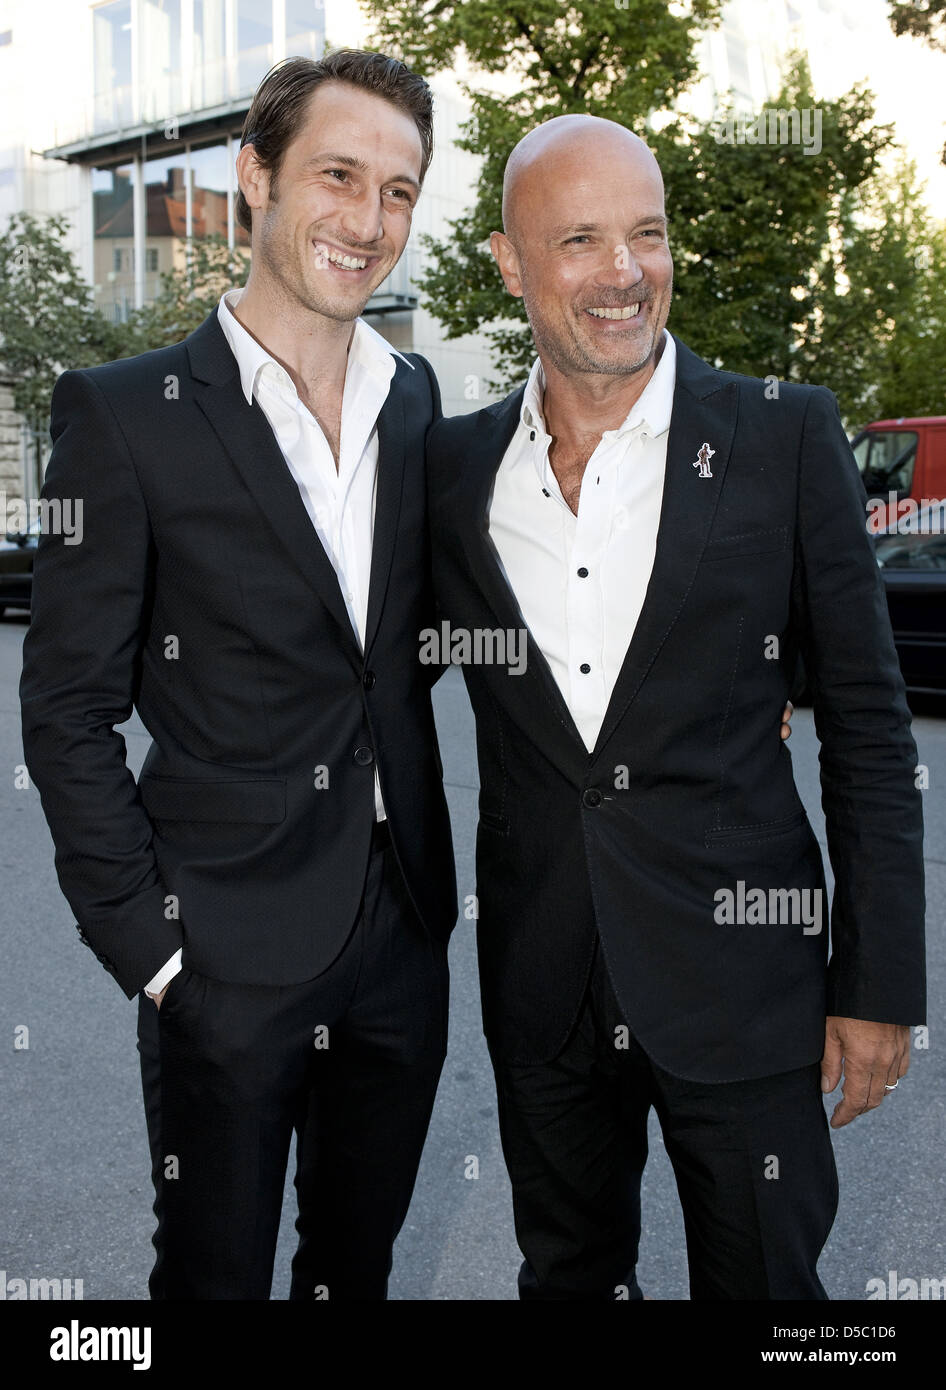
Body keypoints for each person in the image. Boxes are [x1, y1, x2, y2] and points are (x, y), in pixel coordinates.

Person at [426, 114, 926, 1300]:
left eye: (646, 233)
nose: (623, 272)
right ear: (508, 262)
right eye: (581, 239)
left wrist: (875, 987)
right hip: (544, 983)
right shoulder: (450, 469)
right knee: (566, 1276)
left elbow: (865, 727)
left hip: (747, 983)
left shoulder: (782, 432)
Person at [20, 49, 456, 1300]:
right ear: (252, 176)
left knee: (353, 1270)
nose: (369, 221)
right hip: (220, 947)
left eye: (398, 191)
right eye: (337, 175)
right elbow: (65, 705)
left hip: (400, 932)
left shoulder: (416, 403)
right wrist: (152, 954)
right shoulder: (122, 414)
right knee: (210, 1277)